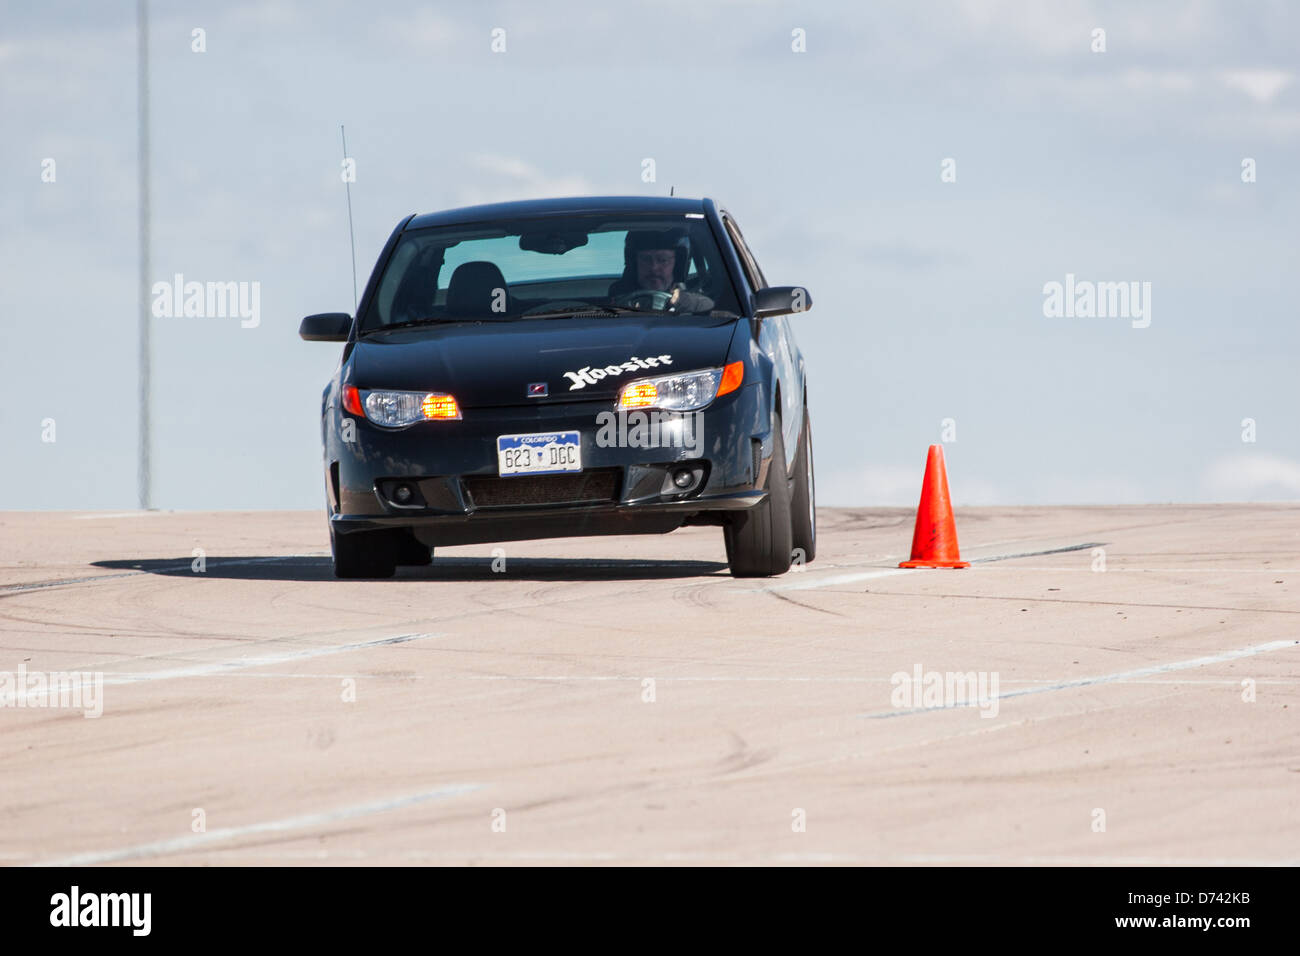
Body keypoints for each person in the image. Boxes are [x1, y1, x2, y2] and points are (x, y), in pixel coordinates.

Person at [610, 229, 714, 313]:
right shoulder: (613, 301)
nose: (654, 267)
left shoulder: (695, 304)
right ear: (634, 263)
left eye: (663, 260)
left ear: (677, 265)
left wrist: (685, 303)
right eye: (646, 259)